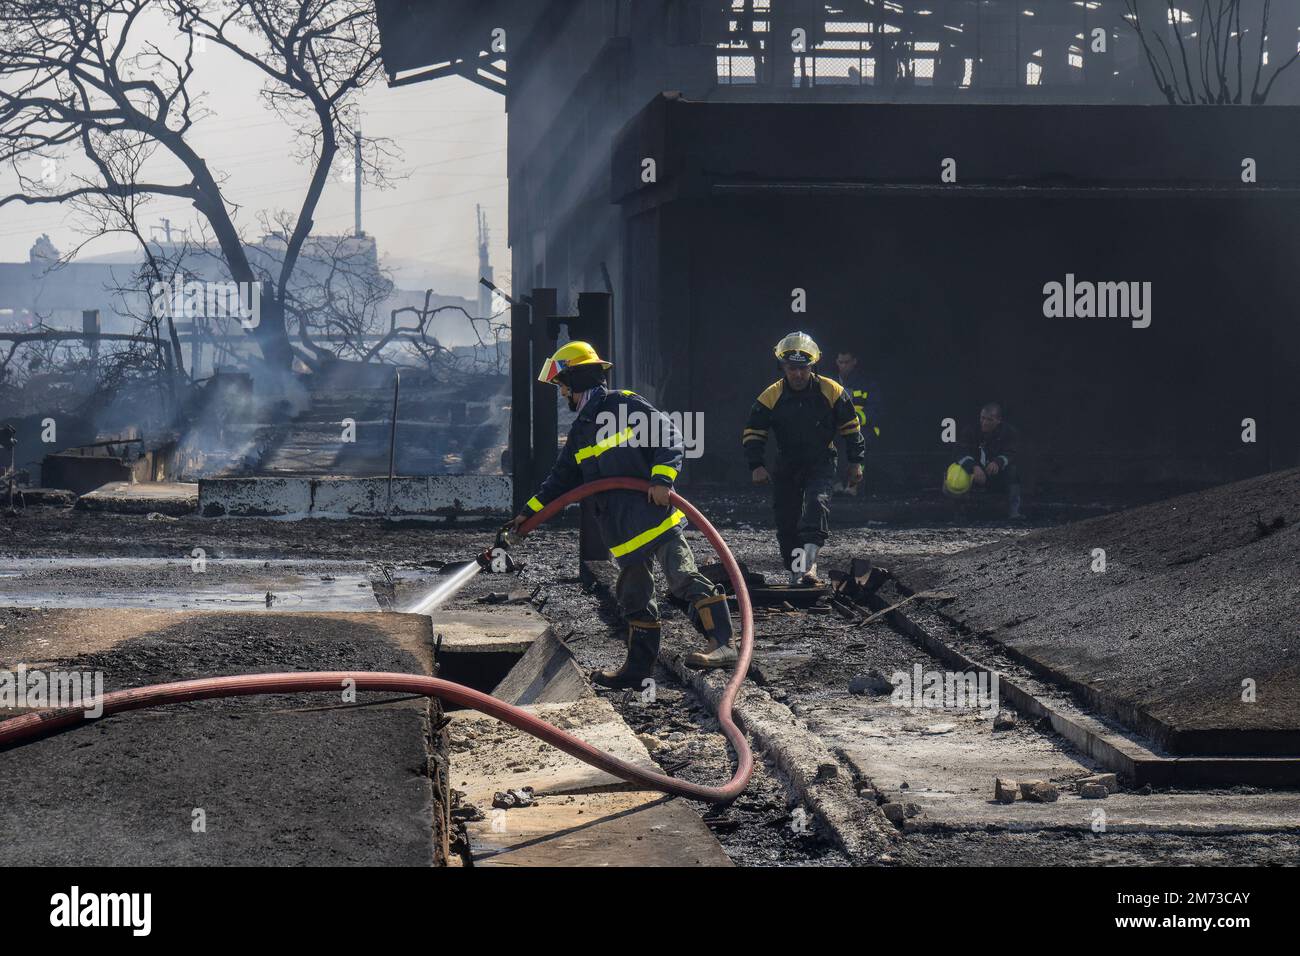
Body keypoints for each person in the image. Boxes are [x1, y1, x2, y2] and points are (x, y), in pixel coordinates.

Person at [510, 341, 737, 686]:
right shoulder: (580, 431)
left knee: (682, 578)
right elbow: (559, 482)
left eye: (563, 386)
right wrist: (528, 515)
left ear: (577, 378)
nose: (562, 394)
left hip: (655, 519)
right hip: (622, 533)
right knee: (633, 598)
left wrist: (663, 479)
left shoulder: (624, 405)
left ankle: (722, 644)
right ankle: (637, 670)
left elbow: (670, 436)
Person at [742, 331, 865, 585]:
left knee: (816, 505)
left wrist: (856, 463)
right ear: (783, 366)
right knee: (786, 520)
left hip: (821, 461)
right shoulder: (771, 395)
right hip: (786, 463)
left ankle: (807, 568)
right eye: (792, 368)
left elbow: (852, 429)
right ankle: (796, 571)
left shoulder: (832, 391)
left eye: (803, 368)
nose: (797, 374)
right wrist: (756, 465)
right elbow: (754, 431)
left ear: (813, 366)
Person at [947, 402, 1023, 519]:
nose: (985, 423)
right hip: (973, 473)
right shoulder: (971, 430)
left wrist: (998, 462)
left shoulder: (1009, 432)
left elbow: (1012, 453)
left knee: (1013, 471)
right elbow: (959, 452)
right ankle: (958, 512)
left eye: (990, 420)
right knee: (956, 471)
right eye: (982, 418)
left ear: (999, 420)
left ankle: (1014, 511)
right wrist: (974, 467)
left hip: (996, 474)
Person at [833, 349, 883, 495]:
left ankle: (853, 486)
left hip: (863, 429)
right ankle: (834, 484)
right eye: (840, 362)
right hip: (837, 428)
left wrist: (856, 419)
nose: (843, 366)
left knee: (858, 444)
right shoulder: (830, 383)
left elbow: (876, 410)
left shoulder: (867, 383)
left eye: (846, 362)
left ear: (854, 362)